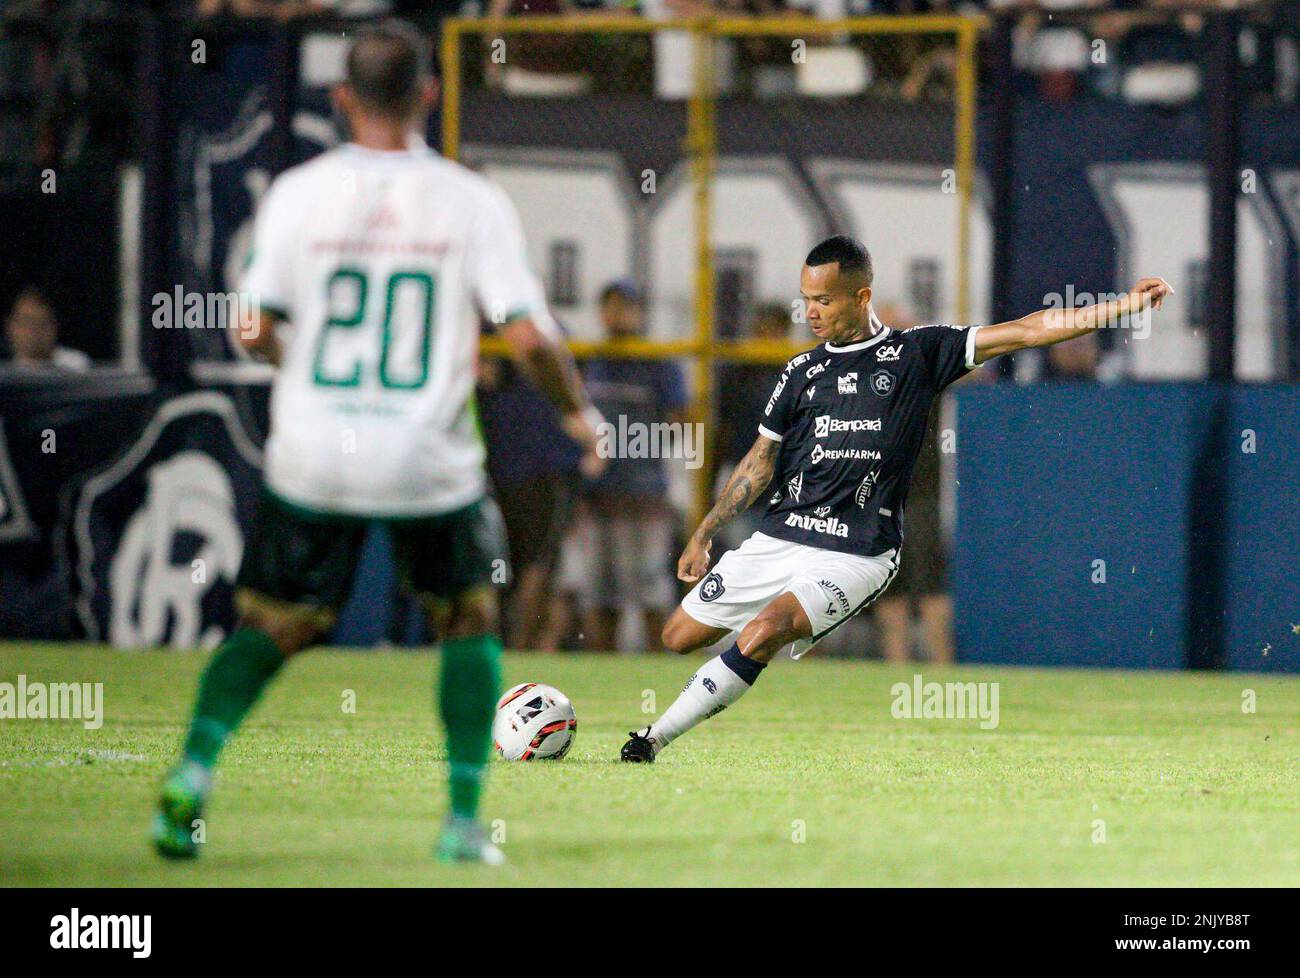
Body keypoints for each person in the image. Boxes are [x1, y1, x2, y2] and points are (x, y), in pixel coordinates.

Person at [152, 21, 596, 864]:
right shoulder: (470, 201)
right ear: (429, 93)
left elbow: (250, 327)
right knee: (468, 619)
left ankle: (193, 777)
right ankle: (464, 824)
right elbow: (531, 340)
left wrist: (303, 368)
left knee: (268, 627)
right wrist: (577, 414)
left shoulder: (299, 193)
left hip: (317, 450)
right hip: (426, 458)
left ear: (342, 98)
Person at [621, 235, 1171, 762]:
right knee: (678, 636)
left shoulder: (918, 352)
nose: (811, 312)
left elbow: (1026, 332)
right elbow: (758, 462)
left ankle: (651, 738)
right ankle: (711, 683)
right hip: (782, 535)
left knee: (766, 629)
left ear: (861, 297)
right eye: (806, 299)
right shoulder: (801, 371)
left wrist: (1118, 308)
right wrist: (704, 531)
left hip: (857, 552)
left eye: (824, 300)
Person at [580, 280, 689, 652]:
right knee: (599, 591)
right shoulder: (590, 357)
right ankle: (603, 671)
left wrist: (647, 452)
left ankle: (655, 674)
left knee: (649, 588)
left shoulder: (657, 361)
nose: (618, 314)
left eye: (626, 306)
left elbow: (681, 419)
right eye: (611, 306)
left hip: (643, 494)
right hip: (598, 494)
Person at [4, 288, 91, 372]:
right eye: (27, 322)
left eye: (42, 323)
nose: (34, 330)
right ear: (10, 326)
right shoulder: (4, 370)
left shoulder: (76, 366)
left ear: (54, 327)